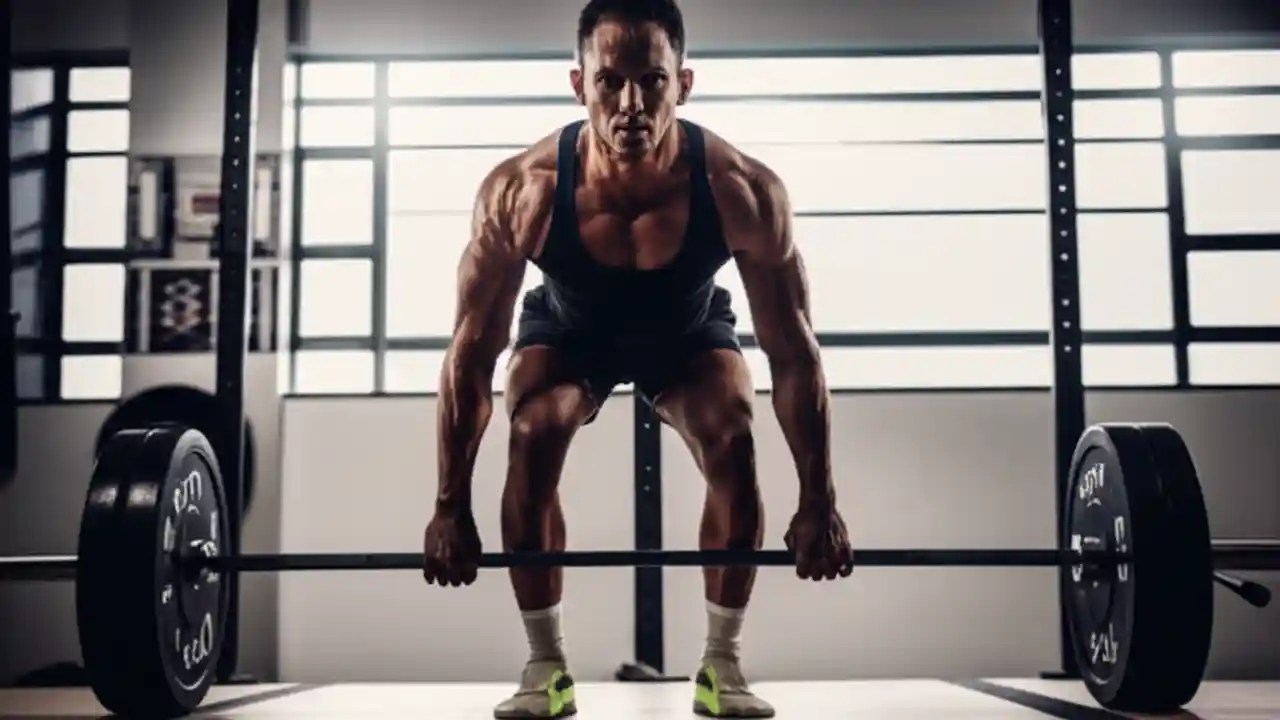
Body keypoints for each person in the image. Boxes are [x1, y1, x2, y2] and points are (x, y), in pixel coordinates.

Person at [422, 0, 855, 716]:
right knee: (532, 430)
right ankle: (545, 668)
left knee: (731, 436)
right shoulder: (521, 193)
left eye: (651, 81)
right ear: (578, 83)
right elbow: (469, 358)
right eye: (609, 82)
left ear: (683, 84)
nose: (630, 104)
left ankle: (721, 666)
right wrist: (448, 508)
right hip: (567, 333)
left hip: (684, 336)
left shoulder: (742, 190)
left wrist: (820, 500)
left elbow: (795, 354)